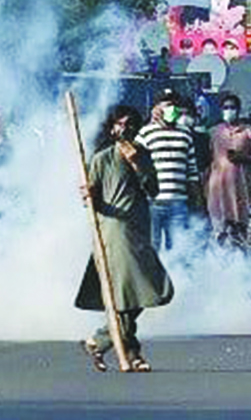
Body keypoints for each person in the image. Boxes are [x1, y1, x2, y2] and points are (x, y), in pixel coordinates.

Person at [76, 105, 173, 373]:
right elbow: (92, 202)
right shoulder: (101, 158)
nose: (126, 128)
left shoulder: (142, 154)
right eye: (121, 124)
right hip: (115, 233)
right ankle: (132, 352)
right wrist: (88, 194)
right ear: (112, 128)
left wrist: (137, 164)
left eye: (131, 124)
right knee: (130, 295)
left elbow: (153, 189)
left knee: (146, 290)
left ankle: (99, 341)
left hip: (139, 229)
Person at [136, 91, 199, 254]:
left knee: (179, 250)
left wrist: (197, 200)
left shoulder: (185, 133)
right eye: (167, 105)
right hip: (153, 202)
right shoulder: (145, 133)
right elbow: (135, 166)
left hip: (179, 203)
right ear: (156, 109)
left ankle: (177, 279)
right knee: (152, 249)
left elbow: (191, 172)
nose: (172, 108)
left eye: (175, 105)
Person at [206, 93, 251, 249]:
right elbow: (207, 158)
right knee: (219, 228)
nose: (229, 111)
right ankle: (219, 264)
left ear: (239, 110)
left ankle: (241, 264)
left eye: (232, 107)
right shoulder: (214, 132)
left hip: (239, 186)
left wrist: (242, 158)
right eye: (226, 107)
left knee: (239, 227)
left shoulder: (248, 132)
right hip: (217, 187)